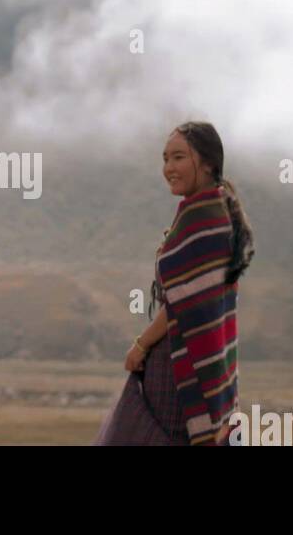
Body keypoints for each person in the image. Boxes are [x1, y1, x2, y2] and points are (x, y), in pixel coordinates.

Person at [94, 121, 255, 445]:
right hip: (185, 362)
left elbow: (182, 306)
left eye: (179, 157)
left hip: (181, 369)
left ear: (207, 163)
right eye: (165, 159)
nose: (168, 167)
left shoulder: (205, 223)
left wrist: (141, 345)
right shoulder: (207, 214)